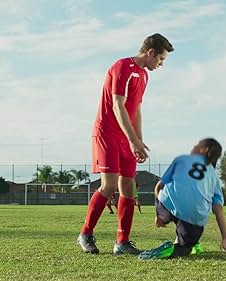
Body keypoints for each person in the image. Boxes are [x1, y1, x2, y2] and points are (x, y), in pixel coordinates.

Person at [77, 33, 174, 255]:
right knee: (109, 185)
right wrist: (132, 140)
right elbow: (117, 106)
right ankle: (85, 233)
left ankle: (122, 242)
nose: (161, 64)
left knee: (129, 186)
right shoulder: (122, 67)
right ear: (150, 53)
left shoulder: (144, 76)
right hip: (108, 133)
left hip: (126, 137)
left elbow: (136, 110)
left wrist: (138, 140)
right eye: (161, 59)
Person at [138, 138, 226, 260]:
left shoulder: (181, 160)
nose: (194, 146)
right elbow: (218, 208)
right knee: (185, 247)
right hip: (192, 215)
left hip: (167, 204)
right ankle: (175, 249)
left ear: (205, 149)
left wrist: (159, 214)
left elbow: (159, 186)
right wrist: (225, 238)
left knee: (168, 199)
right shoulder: (214, 178)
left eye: (198, 144)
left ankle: (176, 230)